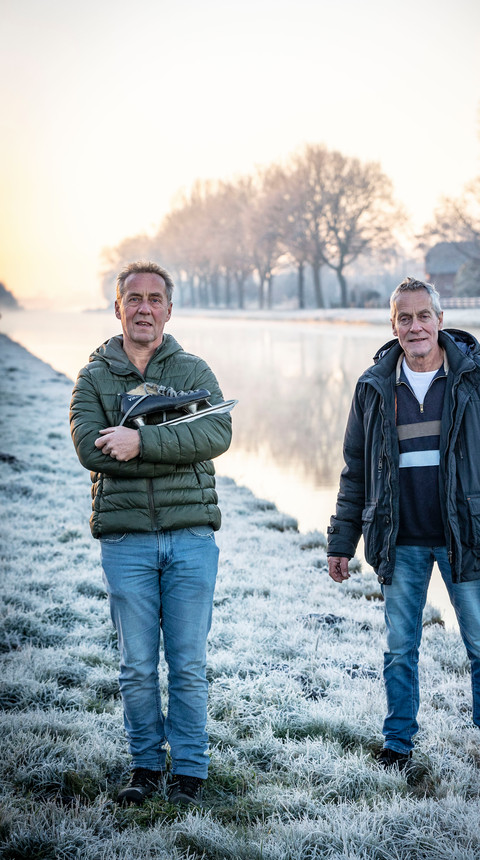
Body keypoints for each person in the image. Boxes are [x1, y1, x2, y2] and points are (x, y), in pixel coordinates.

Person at [327, 277, 480, 790]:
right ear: (394, 327)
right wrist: (341, 541)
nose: (415, 326)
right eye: (404, 318)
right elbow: (354, 472)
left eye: (423, 315)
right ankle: (397, 745)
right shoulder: (373, 387)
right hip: (398, 538)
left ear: (440, 320)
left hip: (467, 537)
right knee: (399, 648)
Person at [70, 260, 232, 807]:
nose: (144, 308)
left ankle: (190, 771)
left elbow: (217, 431)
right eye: (133, 298)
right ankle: (145, 767)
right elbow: (91, 448)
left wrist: (141, 444)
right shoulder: (93, 377)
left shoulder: (192, 370)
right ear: (117, 307)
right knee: (137, 666)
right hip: (126, 543)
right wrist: (170, 445)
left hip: (191, 539)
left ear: (169, 307)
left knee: (187, 664)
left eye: (154, 299)